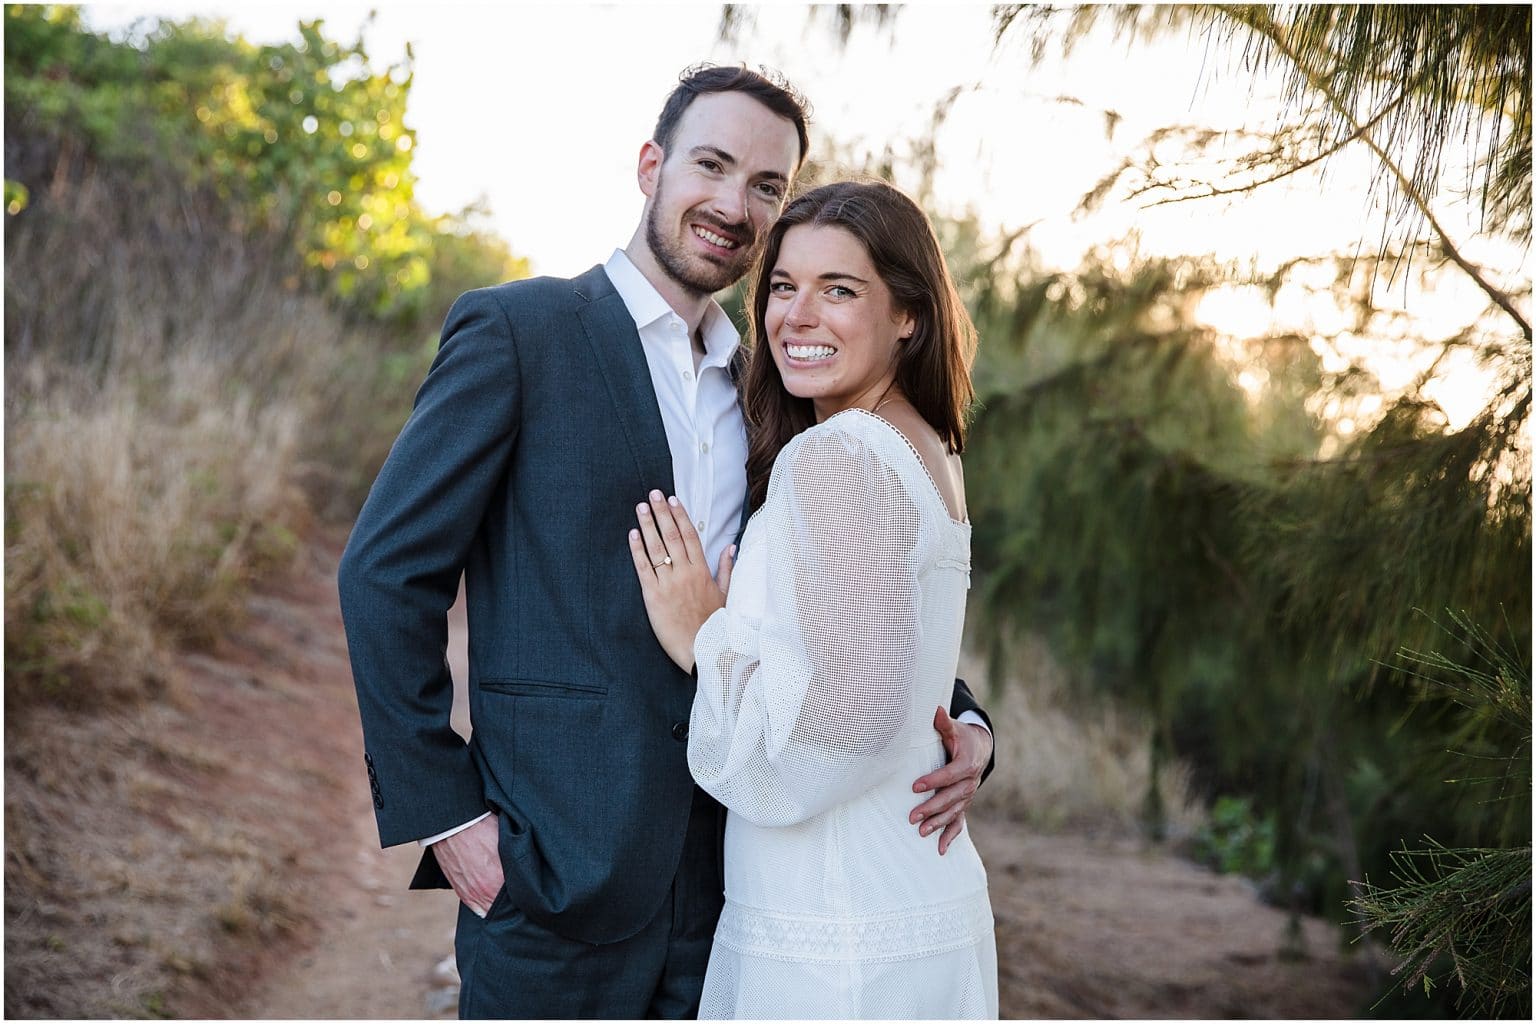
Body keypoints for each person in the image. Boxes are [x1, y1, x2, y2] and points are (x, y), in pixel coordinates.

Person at [337, 66, 995, 1020]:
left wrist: (964, 725)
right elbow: (386, 575)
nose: (734, 204)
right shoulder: (523, 333)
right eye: (711, 165)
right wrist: (446, 814)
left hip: (733, 885)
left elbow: (839, 600)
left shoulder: (782, 390)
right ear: (652, 166)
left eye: (767, 186)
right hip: (553, 878)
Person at [626, 179, 997, 1018]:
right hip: (902, 898)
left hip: (839, 934)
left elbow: (845, 724)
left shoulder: (844, 455)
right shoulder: (924, 445)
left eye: (839, 290)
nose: (798, 315)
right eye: (784, 287)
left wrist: (704, 637)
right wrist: (968, 729)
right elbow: (891, 659)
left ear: (909, 314)